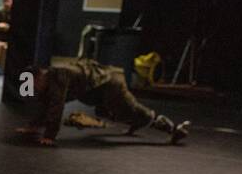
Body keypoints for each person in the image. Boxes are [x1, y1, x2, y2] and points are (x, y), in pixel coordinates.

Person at [17, 59, 191, 146]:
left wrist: (49, 136)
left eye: (34, 84)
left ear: (40, 75)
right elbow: (44, 103)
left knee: (132, 110)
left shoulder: (58, 77)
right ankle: (135, 121)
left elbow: (57, 105)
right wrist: (33, 125)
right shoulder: (48, 81)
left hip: (109, 83)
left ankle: (173, 129)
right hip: (95, 90)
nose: (34, 88)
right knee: (108, 113)